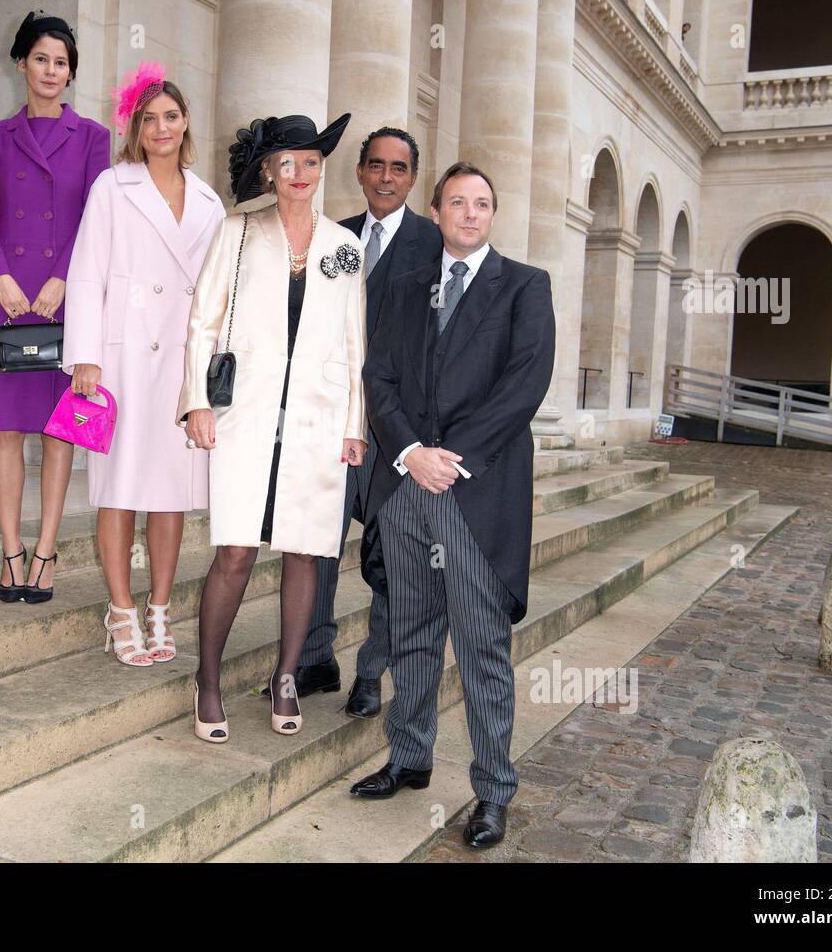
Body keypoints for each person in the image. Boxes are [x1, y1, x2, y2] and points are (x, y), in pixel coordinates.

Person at [350, 161, 555, 850]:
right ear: (435, 210)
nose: (471, 214)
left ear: (493, 214)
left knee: (480, 649)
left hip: (477, 493)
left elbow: (523, 386)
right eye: (458, 202)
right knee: (407, 631)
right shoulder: (404, 289)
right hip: (406, 491)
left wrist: (450, 458)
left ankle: (493, 790)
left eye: (483, 204)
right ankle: (408, 756)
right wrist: (410, 453)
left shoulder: (526, 287)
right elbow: (377, 378)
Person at [178, 112, 367, 742]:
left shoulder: (345, 245)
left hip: (314, 417)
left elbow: (353, 343)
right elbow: (203, 322)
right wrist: (197, 402)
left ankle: (287, 677)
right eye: (288, 162)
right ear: (269, 169)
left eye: (312, 162)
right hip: (245, 413)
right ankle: (207, 679)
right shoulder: (236, 232)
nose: (301, 174)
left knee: (305, 549)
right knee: (234, 550)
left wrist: (353, 423)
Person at [63, 63, 224, 666]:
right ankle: (121, 608)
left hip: (182, 366)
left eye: (172, 117)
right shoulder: (113, 186)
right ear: (135, 126)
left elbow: (214, 294)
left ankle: (159, 607)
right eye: (149, 118)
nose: (161, 128)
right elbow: (86, 273)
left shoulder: (209, 201)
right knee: (120, 488)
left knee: (170, 494)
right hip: (123, 358)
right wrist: (84, 356)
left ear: (186, 124)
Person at [0, 11, 110, 604]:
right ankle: (10, 550)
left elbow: (94, 217)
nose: (52, 70)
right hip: (6, 300)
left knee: (56, 431)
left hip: (63, 297)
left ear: (71, 74)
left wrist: (62, 278)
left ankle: (45, 551)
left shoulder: (93, 138)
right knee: (6, 432)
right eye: (42, 58)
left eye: (62, 62)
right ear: (21, 62)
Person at [293, 126, 442, 718]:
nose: (385, 177)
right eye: (375, 165)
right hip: (333, 420)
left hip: (398, 429)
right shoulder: (336, 238)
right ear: (358, 171)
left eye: (398, 168)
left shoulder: (433, 243)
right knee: (318, 540)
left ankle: (371, 672)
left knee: (392, 559)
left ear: (412, 177)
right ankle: (313, 658)